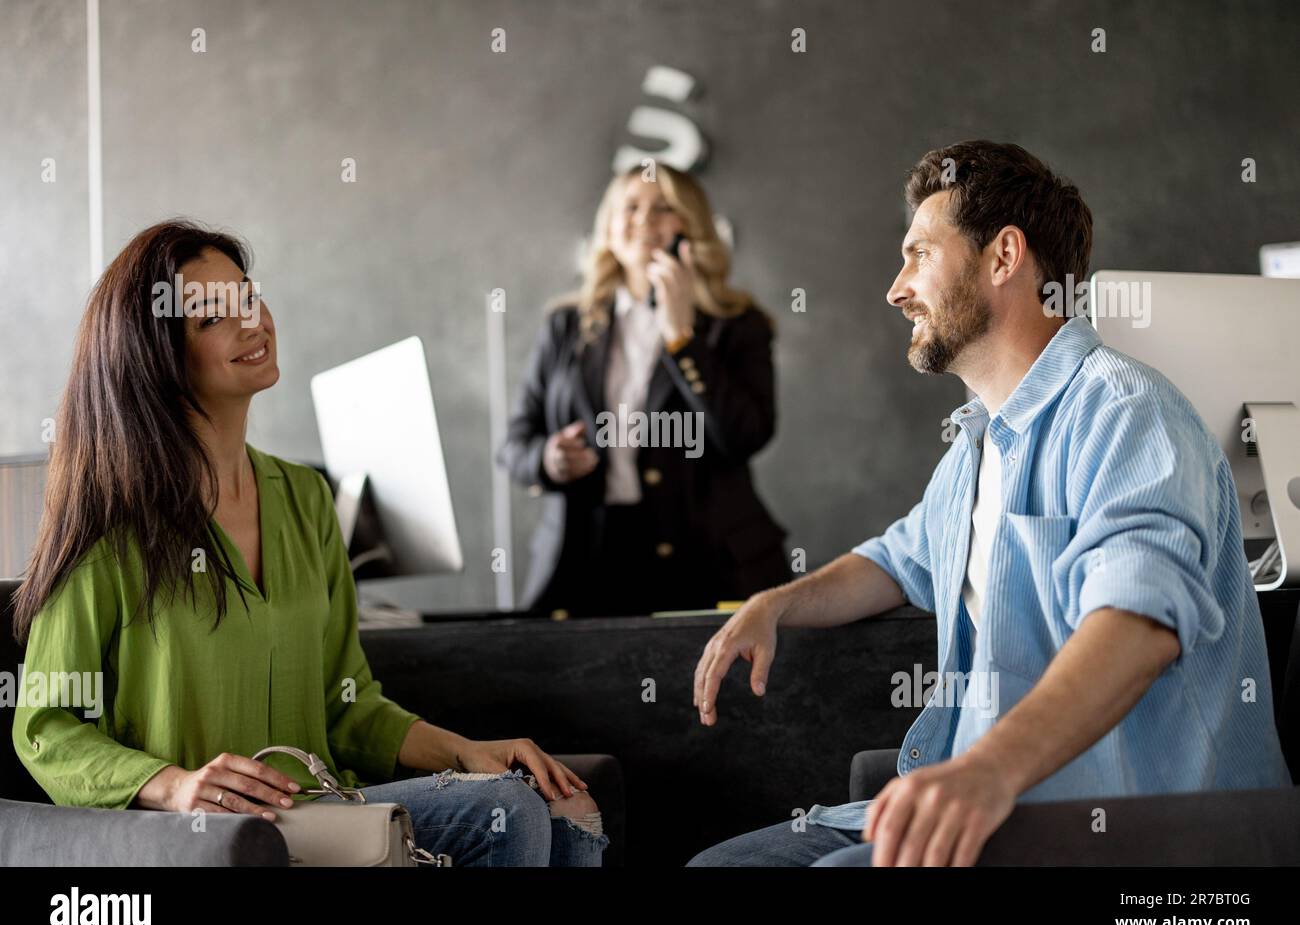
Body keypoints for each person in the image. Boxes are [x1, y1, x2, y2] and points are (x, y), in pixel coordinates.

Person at [686, 141, 1292, 867]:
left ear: (1004, 256)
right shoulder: (971, 451)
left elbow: (1140, 620)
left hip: (1131, 830)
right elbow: (897, 560)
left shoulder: (1124, 411)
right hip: (992, 808)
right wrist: (776, 602)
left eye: (918, 253)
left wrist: (986, 770)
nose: (895, 287)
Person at [11, 220, 606, 866]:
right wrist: (174, 785)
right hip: (206, 838)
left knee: (565, 806)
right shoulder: (113, 523)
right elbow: (45, 727)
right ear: (158, 355)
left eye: (248, 297)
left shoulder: (304, 498)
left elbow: (346, 705)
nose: (251, 322)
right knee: (507, 815)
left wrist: (464, 750)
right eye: (212, 317)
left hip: (324, 813)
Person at [498, 164, 789, 617]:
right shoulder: (565, 325)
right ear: (608, 227)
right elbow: (515, 441)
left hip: (708, 561)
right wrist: (548, 458)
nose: (644, 220)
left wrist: (681, 338)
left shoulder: (739, 324)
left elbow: (745, 436)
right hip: (588, 559)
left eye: (663, 208)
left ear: (690, 224)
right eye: (630, 207)